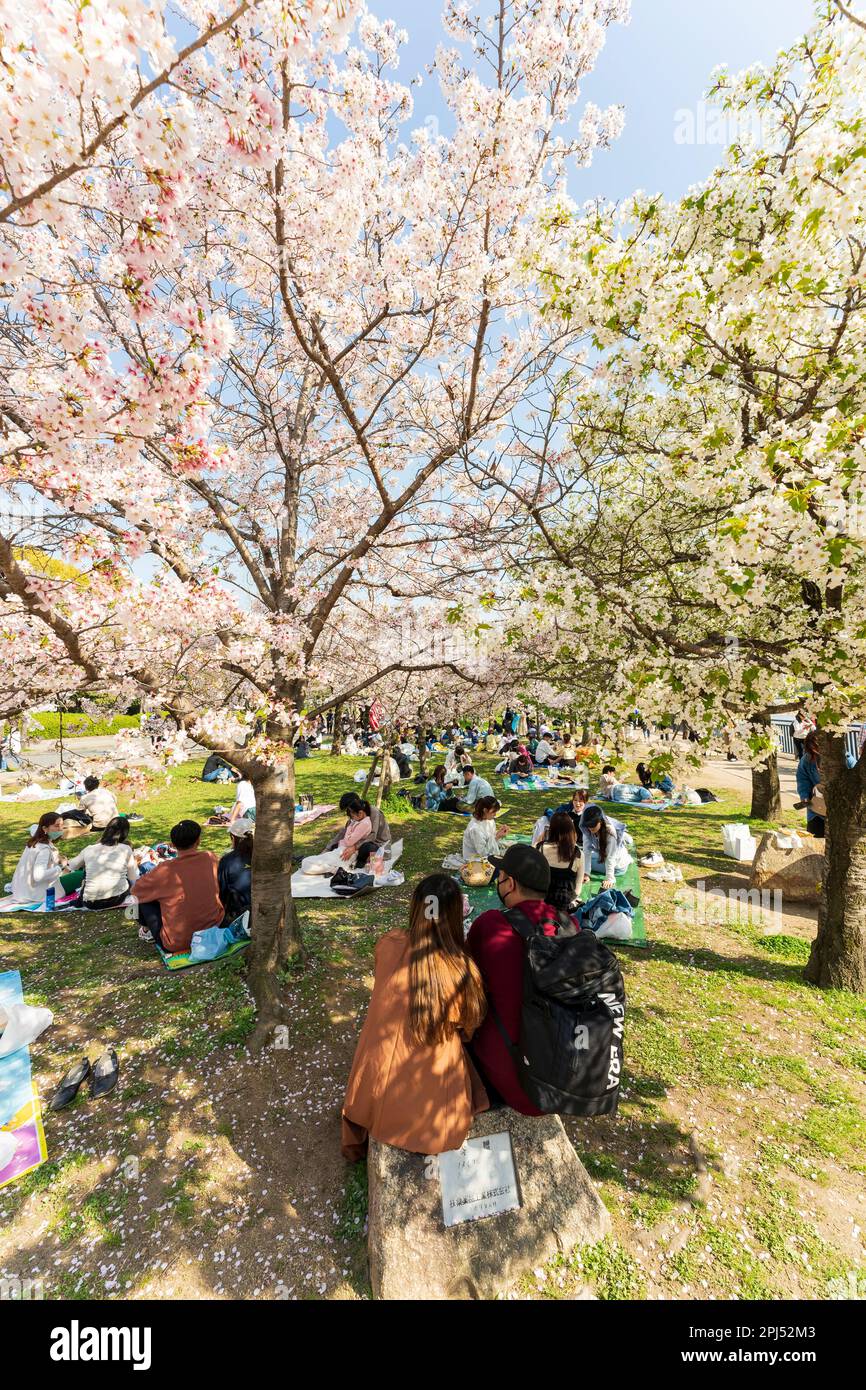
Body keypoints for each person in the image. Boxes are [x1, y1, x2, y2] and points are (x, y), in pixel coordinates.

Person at [342, 874, 488, 1160]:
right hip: (433, 1112)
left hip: (375, 1085)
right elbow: (469, 1028)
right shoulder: (463, 971)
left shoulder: (389, 944)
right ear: (457, 915)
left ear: (415, 908)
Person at [467, 843, 562, 1114]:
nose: (499, 881)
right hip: (561, 1074)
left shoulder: (491, 924)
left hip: (512, 1081)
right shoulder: (569, 925)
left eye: (500, 876)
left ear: (510, 884)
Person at [132, 820, 222, 953]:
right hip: (215, 928)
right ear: (198, 840)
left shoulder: (165, 870)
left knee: (144, 900)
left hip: (178, 943)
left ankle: (147, 931)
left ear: (172, 845)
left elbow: (136, 891)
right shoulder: (210, 858)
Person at [67, 816, 139, 910]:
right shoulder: (126, 849)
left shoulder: (90, 849)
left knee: (87, 868)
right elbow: (133, 877)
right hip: (117, 898)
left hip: (90, 903)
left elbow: (72, 865)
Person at [10, 813, 85, 904]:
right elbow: (39, 876)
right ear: (45, 829)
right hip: (37, 893)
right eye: (57, 826)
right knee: (83, 874)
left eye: (62, 825)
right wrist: (61, 866)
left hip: (22, 891)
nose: (60, 829)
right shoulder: (43, 849)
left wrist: (57, 860)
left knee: (77, 869)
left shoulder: (35, 842)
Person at [323, 792, 392, 868]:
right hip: (361, 843)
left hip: (377, 844)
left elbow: (372, 836)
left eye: (349, 810)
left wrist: (355, 847)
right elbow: (343, 833)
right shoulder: (354, 814)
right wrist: (327, 849)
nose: (349, 814)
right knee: (337, 847)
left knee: (366, 848)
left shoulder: (374, 812)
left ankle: (361, 862)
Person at [578, 804, 632, 889]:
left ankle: (626, 858)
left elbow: (610, 857)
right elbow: (586, 852)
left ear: (600, 821)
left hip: (618, 867)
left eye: (593, 825)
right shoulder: (587, 829)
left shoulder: (610, 832)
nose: (590, 828)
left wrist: (610, 878)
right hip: (606, 856)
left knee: (578, 862)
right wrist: (586, 873)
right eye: (588, 825)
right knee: (581, 858)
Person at [540, 811, 581, 912]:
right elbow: (577, 890)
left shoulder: (540, 848)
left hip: (541, 904)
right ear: (571, 830)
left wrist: (540, 838)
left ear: (551, 829)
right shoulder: (577, 853)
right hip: (565, 908)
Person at [218, 818, 254, 923]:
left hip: (239, 913)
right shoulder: (263, 855)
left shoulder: (227, 861)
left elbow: (222, 892)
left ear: (233, 838)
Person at [795, 731, 825, 838]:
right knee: (815, 838)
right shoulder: (806, 760)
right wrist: (804, 796)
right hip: (817, 807)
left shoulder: (842, 757)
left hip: (840, 807)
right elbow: (802, 780)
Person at [462, 796, 505, 861]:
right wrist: (497, 837)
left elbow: (489, 837)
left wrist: (498, 833)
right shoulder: (475, 829)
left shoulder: (489, 820)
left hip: (487, 854)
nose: (495, 814)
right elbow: (483, 853)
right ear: (485, 810)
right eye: (493, 812)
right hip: (475, 860)